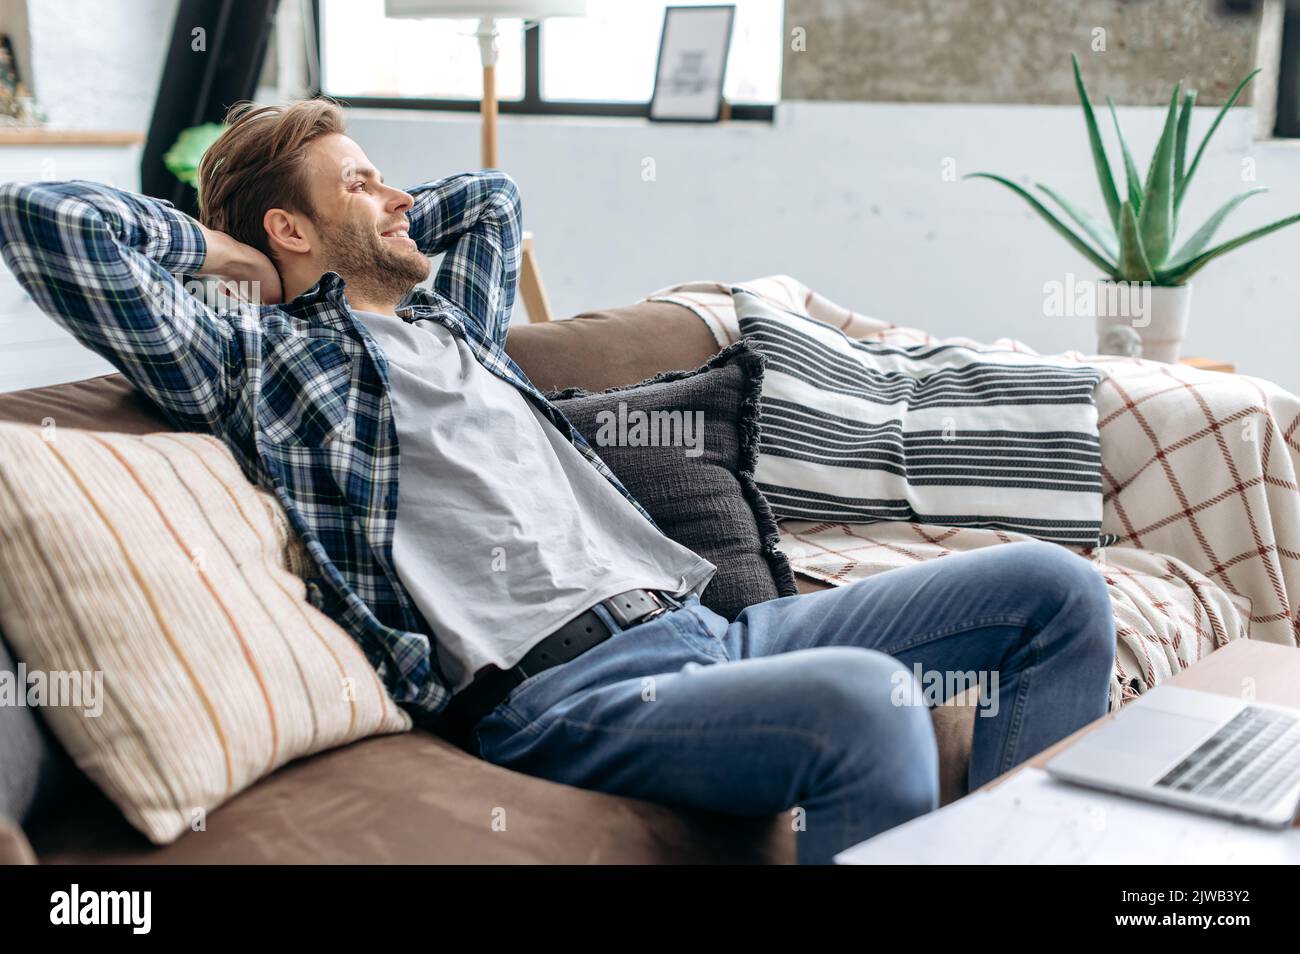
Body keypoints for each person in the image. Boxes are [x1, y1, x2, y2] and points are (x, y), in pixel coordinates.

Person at [0, 99, 1116, 864]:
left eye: (387, 179)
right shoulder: (262, 362)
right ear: (288, 225)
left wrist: (357, 213)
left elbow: (488, 195)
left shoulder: (455, 326)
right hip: (560, 692)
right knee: (866, 707)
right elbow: (47, 223)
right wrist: (237, 257)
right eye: (362, 182)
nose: (394, 197)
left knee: (1056, 595)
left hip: (709, 633)